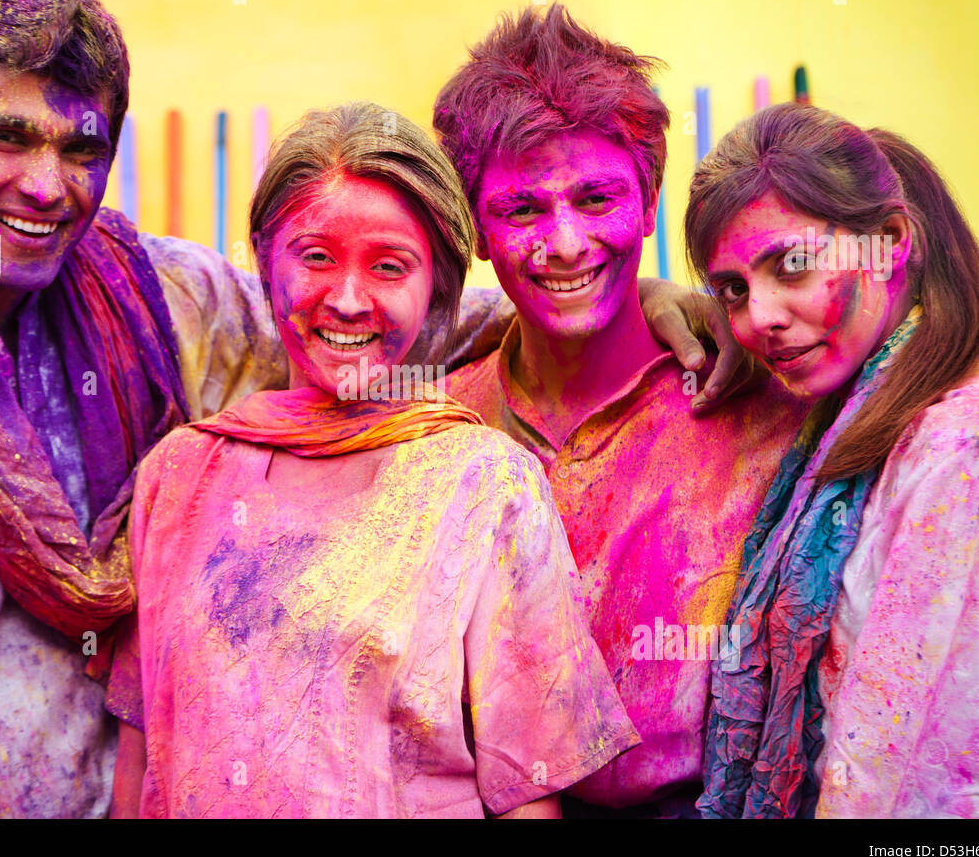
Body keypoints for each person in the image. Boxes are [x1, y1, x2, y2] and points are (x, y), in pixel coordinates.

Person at [0, 0, 717, 818]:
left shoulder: (163, 301)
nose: (44, 184)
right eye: (7, 137)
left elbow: (373, 320)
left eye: (80, 148)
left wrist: (644, 295)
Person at [107, 102, 637, 819]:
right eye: (316, 256)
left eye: (389, 266)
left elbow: (528, 794)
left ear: (439, 290)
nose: (348, 298)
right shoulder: (179, 476)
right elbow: (143, 763)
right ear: (266, 265)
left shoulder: (484, 483)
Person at [431, 4, 809, 816]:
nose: (565, 243)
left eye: (596, 198)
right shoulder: (435, 433)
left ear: (648, 203)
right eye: (523, 209)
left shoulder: (764, 404)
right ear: (476, 234)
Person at [688, 102, 979, 818]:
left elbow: (930, 797)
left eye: (792, 265)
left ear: (888, 242)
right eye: (732, 289)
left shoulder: (967, 454)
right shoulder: (832, 442)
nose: (759, 318)